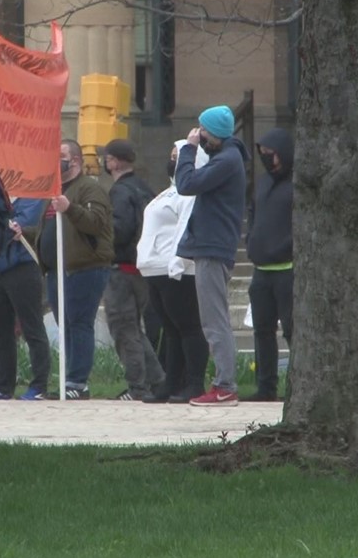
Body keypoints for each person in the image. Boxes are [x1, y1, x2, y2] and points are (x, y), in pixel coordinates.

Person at [175, 105, 248, 407]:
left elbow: (186, 184)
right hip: (211, 245)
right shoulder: (226, 157)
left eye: (203, 131)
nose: (199, 135)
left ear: (215, 133)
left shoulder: (227, 160)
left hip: (213, 247)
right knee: (211, 318)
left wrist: (188, 151)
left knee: (214, 320)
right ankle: (222, 382)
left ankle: (225, 386)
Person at [37, 140, 114, 400]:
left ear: (77, 162)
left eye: (62, 156)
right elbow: (48, 229)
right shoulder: (56, 191)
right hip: (57, 270)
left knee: (79, 323)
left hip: (85, 267)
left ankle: (77, 382)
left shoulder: (89, 189)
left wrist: (70, 208)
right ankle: (70, 378)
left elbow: (96, 223)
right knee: (65, 325)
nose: (57, 161)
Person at [137, 141, 210, 404]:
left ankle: (194, 383)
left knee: (188, 327)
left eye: (177, 156)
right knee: (171, 330)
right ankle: (171, 382)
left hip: (176, 270)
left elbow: (184, 227)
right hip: (155, 269)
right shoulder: (168, 192)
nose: (172, 160)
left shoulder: (189, 193)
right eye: (170, 156)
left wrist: (178, 261)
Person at [101, 138, 164, 401]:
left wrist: (99, 239)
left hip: (123, 269)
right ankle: (157, 380)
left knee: (123, 328)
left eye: (107, 158)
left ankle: (138, 387)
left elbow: (119, 230)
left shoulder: (119, 192)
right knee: (135, 329)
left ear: (114, 161)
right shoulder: (144, 188)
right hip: (143, 268)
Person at [244, 128, 294, 402]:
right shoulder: (263, 184)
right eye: (263, 155)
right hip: (261, 271)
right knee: (262, 330)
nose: (268, 161)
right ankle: (266, 387)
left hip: (287, 269)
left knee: (292, 330)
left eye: (271, 155)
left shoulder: (296, 185)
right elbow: (253, 213)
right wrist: (251, 240)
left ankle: (298, 385)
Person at [0, 197, 52, 401]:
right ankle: (3, 385)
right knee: (1, 331)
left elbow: (21, 224)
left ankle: (40, 384)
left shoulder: (31, 197)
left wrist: (3, 224)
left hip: (23, 267)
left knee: (31, 327)